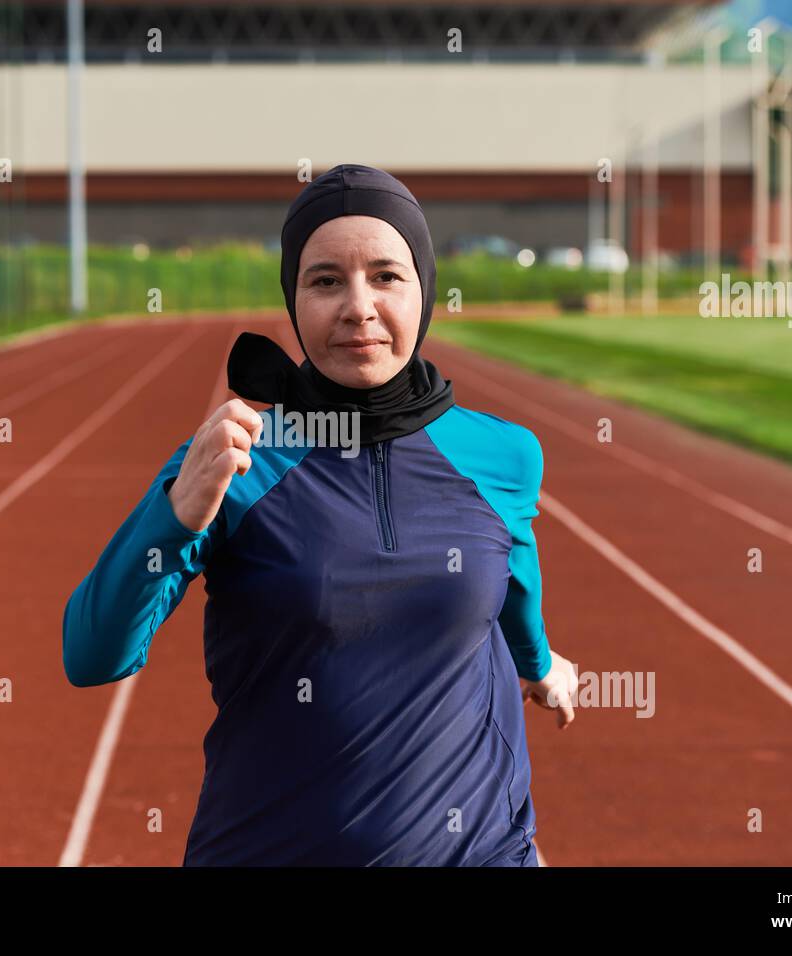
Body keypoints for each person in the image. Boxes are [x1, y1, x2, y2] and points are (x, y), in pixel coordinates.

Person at [62, 164, 578, 866]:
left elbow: (513, 576)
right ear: (293, 298)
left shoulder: (504, 456)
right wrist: (175, 514)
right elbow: (91, 656)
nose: (358, 306)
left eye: (387, 276)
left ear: (423, 290)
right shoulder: (235, 464)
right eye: (326, 280)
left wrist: (541, 663)